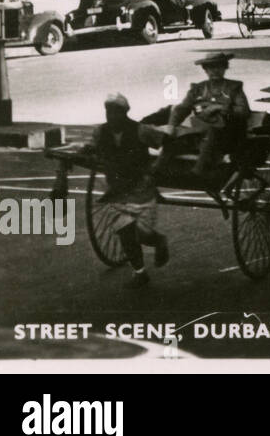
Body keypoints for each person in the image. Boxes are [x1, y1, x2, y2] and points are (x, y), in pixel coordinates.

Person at [95, 93, 168, 286]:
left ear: (125, 113)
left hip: (141, 190)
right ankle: (140, 272)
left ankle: (159, 241)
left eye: (116, 112)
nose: (111, 116)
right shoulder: (100, 132)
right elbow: (90, 150)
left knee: (143, 235)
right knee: (124, 231)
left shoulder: (141, 130)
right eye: (108, 111)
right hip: (118, 192)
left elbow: (168, 142)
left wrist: (157, 166)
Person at [167, 52, 251, 183]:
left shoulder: (234, 88)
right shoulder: (198, 88)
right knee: (174, 136)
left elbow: (244, 111)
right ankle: (159, 170)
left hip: (228, 135)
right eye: (211, 68)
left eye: (219, 67)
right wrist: (171, 125)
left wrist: (219, 108)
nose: (215, 71)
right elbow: (182, 109)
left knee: (213, 130)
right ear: (205, 70)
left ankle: (197, 172)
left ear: (225, 68)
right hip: (202, 133)